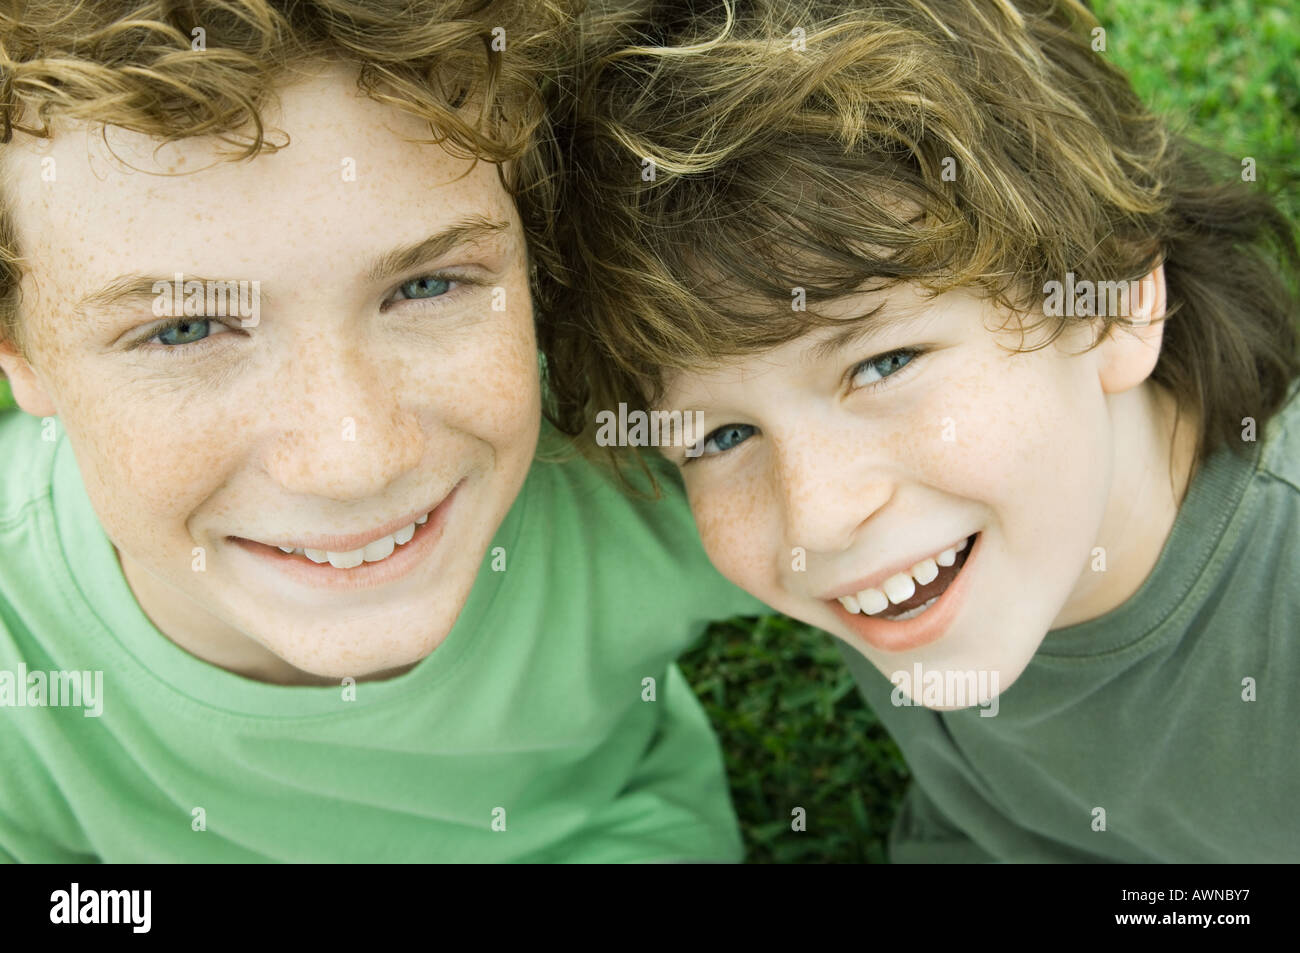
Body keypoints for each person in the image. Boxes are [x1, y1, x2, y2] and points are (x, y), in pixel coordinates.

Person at [0, 0, 763, 862]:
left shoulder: (631, 461)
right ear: (22, 356)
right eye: (183, 330)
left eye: (429, 286)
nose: (353, 459)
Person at [548, 0, 1300, 861]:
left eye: (885, 363)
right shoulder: (928, 579)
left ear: (1114, 299)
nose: (817, 516)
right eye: (720, 437)